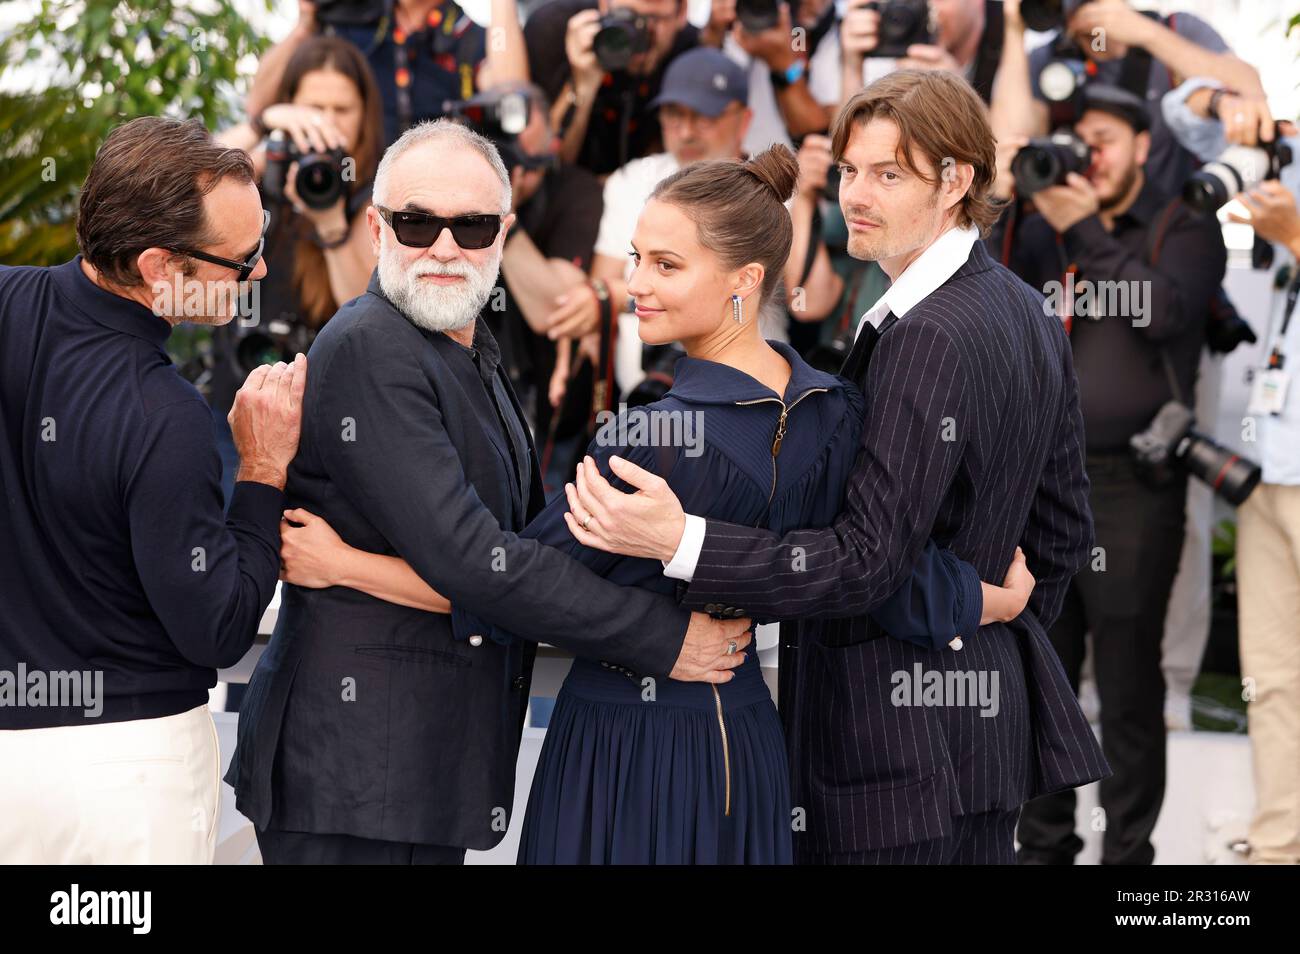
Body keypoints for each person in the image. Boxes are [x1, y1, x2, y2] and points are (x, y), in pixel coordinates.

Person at [273, 143, 1036, 864]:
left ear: (744, 280)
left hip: (628, 748)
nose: (633, 283)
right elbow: (870, 564)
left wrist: (347, 565)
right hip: (749, 744)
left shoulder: (651, 441)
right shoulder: (834, 408)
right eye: (636, 259)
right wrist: (978, 598)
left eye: (665, 265)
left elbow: (503, 581)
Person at [557, 69, 1110, 864]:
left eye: (889, 175)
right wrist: (982, 625)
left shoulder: (928, 334)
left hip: (888, 761)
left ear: (956, 181)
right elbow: (1061, 535)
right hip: (980, 747)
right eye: (851, 171)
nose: (857, 194)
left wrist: (686, 543)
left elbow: (866, 563)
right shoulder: (1024, 304)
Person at [224, 119, 752, 865]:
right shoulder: (372, 344)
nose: (444, 248)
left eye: (471, 226)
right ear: (375, 227)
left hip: (420, 775)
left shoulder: (468, 343)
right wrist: (664, 641)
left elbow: (515, 549)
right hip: (353, 777)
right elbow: (477, 562)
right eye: (417, 223)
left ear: (503, 233)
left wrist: (669, 540)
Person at [0, 117, 302, 863]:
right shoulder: (163, 416)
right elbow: (219, 630)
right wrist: (262, 473)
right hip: (126, 781)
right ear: (160, 265)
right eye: (244, 258)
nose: (262, 271)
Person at [992, 84, 1227, 865]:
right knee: (1040, 674)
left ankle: (1130, 859)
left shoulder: (1182, 221)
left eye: (1106, 139)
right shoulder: (1041, 225)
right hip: (1042, 481)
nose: (1090, 156)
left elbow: (1161, 311)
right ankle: (1044, 848)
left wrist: (1085, 229)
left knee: (1127, 685)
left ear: (1141, 145)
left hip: (1134, 484)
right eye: (1079, 140)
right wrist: (1010, 199)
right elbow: (994, 301)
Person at [1166, 81, 1300, 865]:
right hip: (1272, 463)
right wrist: (1229, 101)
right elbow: (1182, 117)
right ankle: (1282, 847)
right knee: (1273, 681)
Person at [209, 36, 384, 499]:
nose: (325, 124)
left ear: (365, 116)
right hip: (237, 412)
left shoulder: (381, 195)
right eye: (312, 107)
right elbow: (187, 185)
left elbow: (368, 312)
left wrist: (330, 220)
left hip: (336, 429)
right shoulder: (262, 176)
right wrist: (262, 125)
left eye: (341, 110)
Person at [989, 0, 1262, 196]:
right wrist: (1014, 30)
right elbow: (1007, 154)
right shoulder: (1050, 60)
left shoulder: (1175, 29)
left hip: (1169, 229)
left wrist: (1146, 33)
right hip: (1075, 234)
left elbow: (1250, 90)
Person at [246, 0, 529, 146]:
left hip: (427, 212)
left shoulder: (468, 37)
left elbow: (512, 97)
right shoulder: (352, 19)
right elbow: (258, 107)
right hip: (348, 190)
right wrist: (306, 21)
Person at [526, 0, 700, 176]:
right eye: (629, 16)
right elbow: (544, 169)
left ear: (681, 12)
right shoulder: (552, 29)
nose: (642, 33)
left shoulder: (690, 49)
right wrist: (582, 84)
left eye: (654, 18)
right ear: (604, 5)